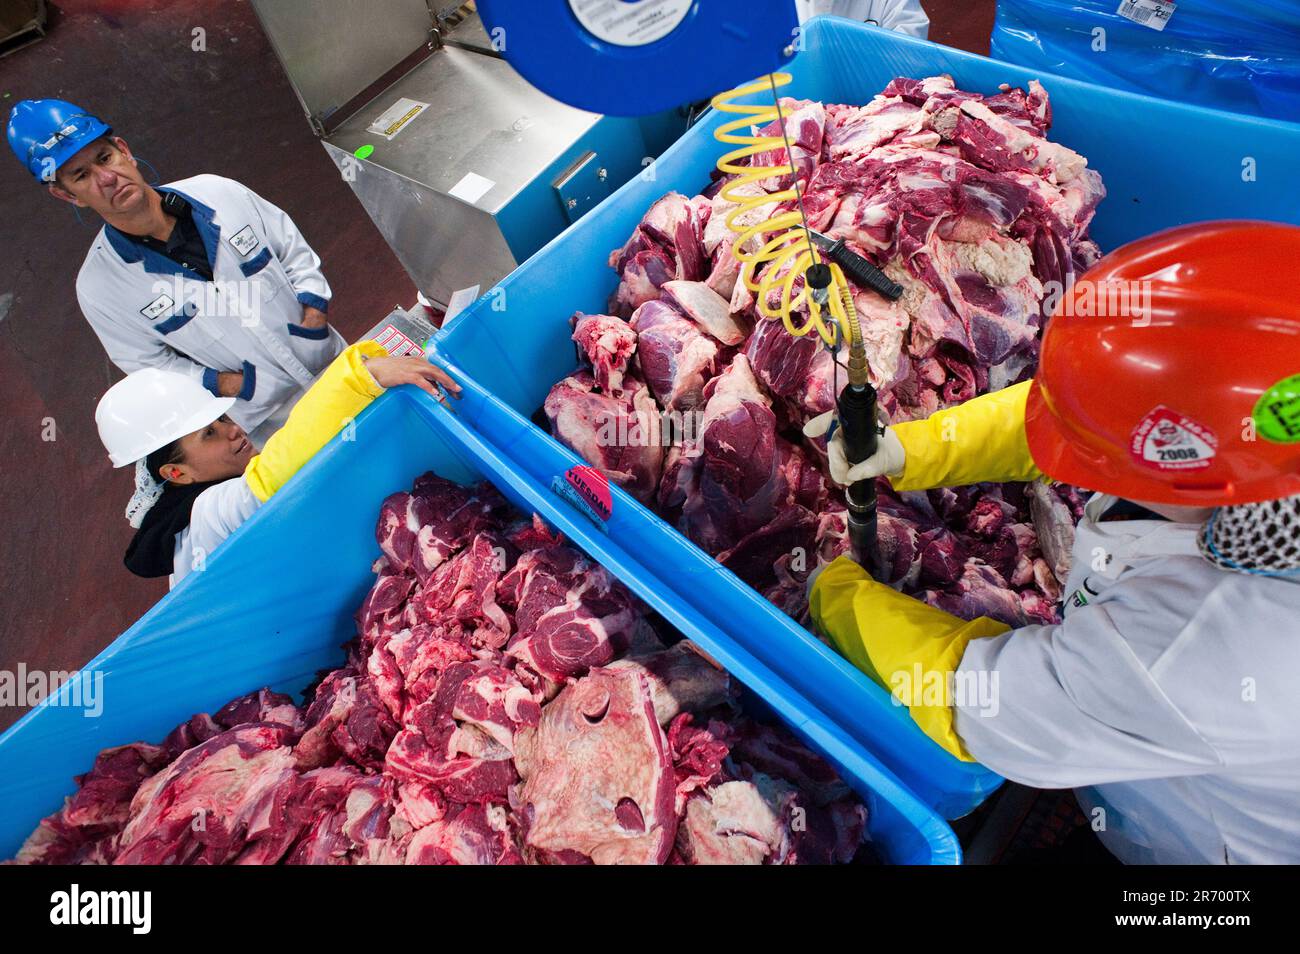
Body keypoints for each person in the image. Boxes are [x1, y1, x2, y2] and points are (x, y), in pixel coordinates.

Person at [803, 220, 1300, 864]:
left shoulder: (1209, 649)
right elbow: (1096, 414)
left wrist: (834, 592)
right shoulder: (1252, 446)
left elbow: (980, 702)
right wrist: (909, 448)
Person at [7, 98, 346, 444]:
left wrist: (314, 317)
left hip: (338, 366)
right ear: (67, 196)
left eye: (104, 158)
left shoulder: (217, 193)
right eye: (82, 176)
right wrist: (235, 384)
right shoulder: (100, 289)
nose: (107, 178)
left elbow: (290, 247)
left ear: (123, 150)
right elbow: (150, 366)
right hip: (272, 422)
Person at [96, 339, 460, 588]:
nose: (233, 431)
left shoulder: (184, 513)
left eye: (223, 419)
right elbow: (271, 477)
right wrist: (362, 376)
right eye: (209, 433)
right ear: (176, 473)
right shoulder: (204, 517)